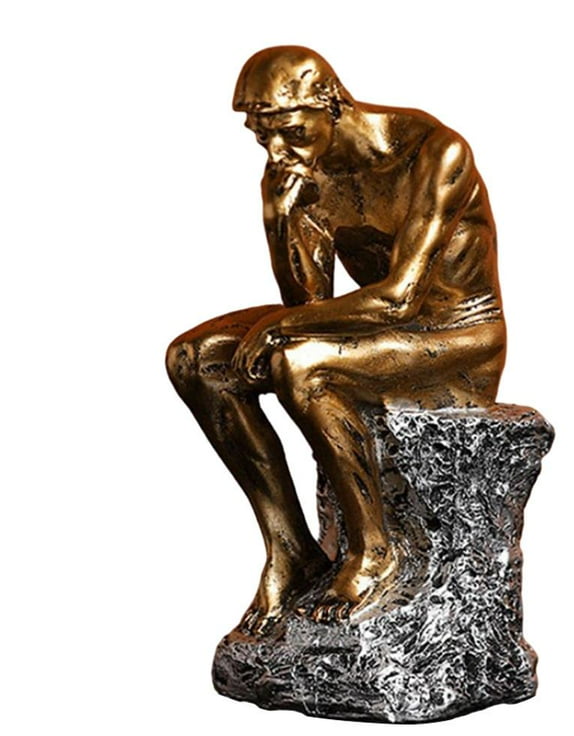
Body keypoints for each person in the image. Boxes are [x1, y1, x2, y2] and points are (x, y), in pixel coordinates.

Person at [166, 46, 506, 635]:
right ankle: (290, 548)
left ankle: (374, 552)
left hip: (456, 335)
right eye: (264, 137)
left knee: (303, 367)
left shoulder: (434, 152)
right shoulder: (299, 168)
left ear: (333, 104)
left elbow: (400, 298)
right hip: (377, 330)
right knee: (194, 360)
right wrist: (279, 219)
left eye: (292, 132)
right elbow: (308, 306)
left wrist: (283, 328)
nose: (278, 151)